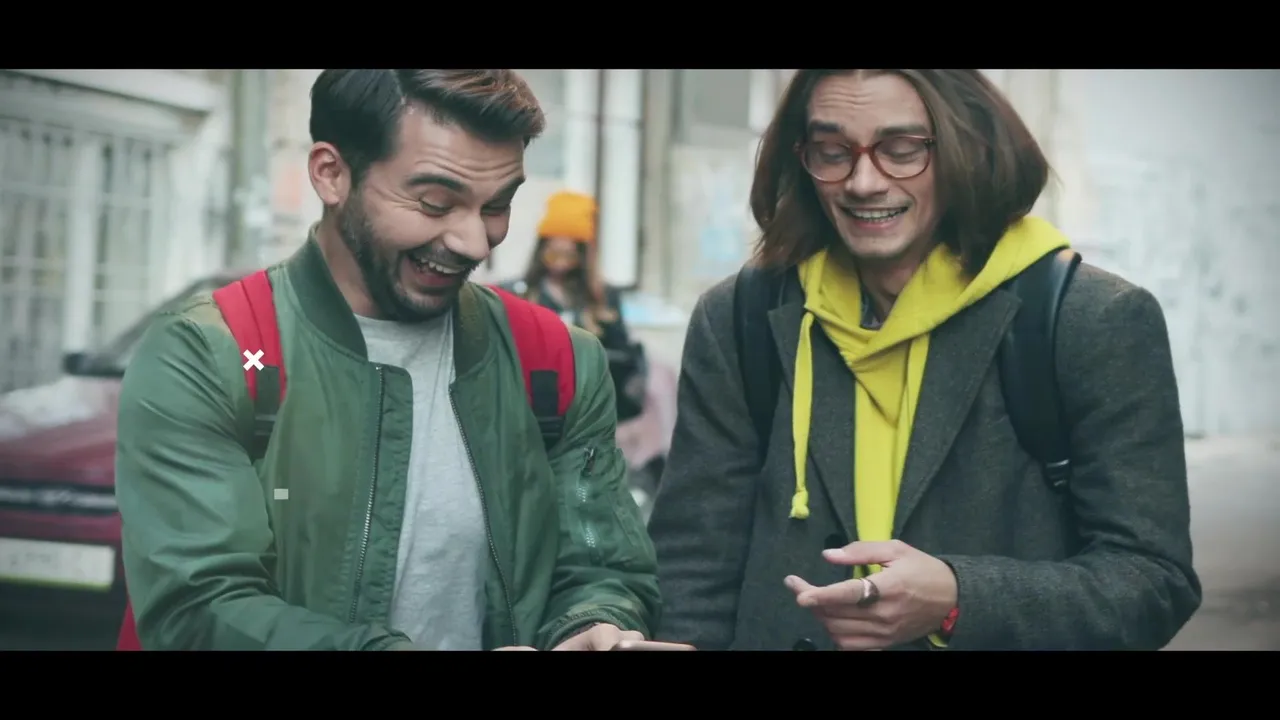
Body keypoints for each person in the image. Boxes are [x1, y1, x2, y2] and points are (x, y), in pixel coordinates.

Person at [648, 69, 1201, 651]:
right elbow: (693, 571)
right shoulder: (742, 317)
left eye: (902, 149)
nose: (863, 182)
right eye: (832, 151)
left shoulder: (1091, 319)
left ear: (969, 147)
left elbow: (1151, 581)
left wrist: (958, 599)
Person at [115, 69, 661, 651]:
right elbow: (198, 610)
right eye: (435, 203)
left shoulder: (556, 360)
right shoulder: (208, 353)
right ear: (331, 174)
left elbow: (602, 567)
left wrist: (594, 625)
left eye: (498, 206)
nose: (475, 242)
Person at [502, 191, 648, 424]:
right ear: (541, 252)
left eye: (569, 256)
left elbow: (622, 353)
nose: (560, 264)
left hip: (590, 408)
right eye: (553, 255)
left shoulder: (603, 298)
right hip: (532, 409)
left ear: (582, 257)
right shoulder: (520, 293)